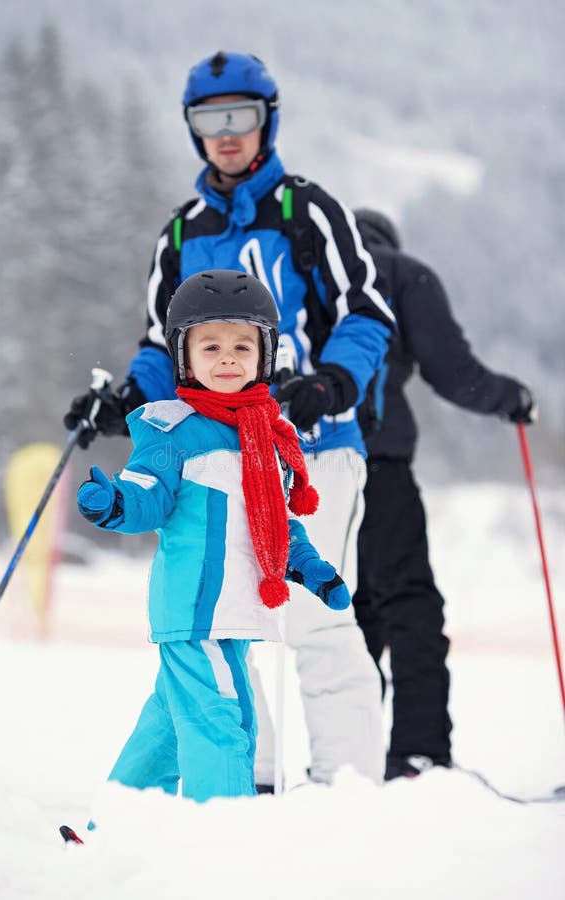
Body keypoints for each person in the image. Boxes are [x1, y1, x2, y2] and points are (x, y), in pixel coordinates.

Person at [65, 51, 396, 788]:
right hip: (217, 448)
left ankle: (348, 784)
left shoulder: (309, 212)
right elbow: (164, 344)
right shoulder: (181, 234)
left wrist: (333, 382)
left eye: (240, 116)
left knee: (314, 618)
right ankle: (254, 780)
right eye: (209, 120)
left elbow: (365, 311)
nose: (226, 134)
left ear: (267, 120)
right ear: (193, 130)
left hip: (311, 446)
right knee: (232, 621)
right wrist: (122, 400)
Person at [75, 269, 352, 802]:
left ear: (263, 356)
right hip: (196, 608)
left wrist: (311, 567)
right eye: (211, 346)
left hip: (236, 611)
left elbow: (272, 523)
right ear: (185, 356)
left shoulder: (267, 437)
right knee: (225, 720)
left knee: (173, 724)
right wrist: (115, 504)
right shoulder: (173, 430)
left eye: (242, 345)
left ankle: (117, 820)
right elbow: (147, 496)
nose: (228, 358)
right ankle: (222, 830)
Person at [351, 208, 537, 780]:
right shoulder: (404, 273)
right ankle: (418, 750)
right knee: (408, 604)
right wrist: (512, 397)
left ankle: (343, 754)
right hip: (380, 464)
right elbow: (453, 373)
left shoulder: (307, 271)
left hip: (304, 470)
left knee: (344, 615)